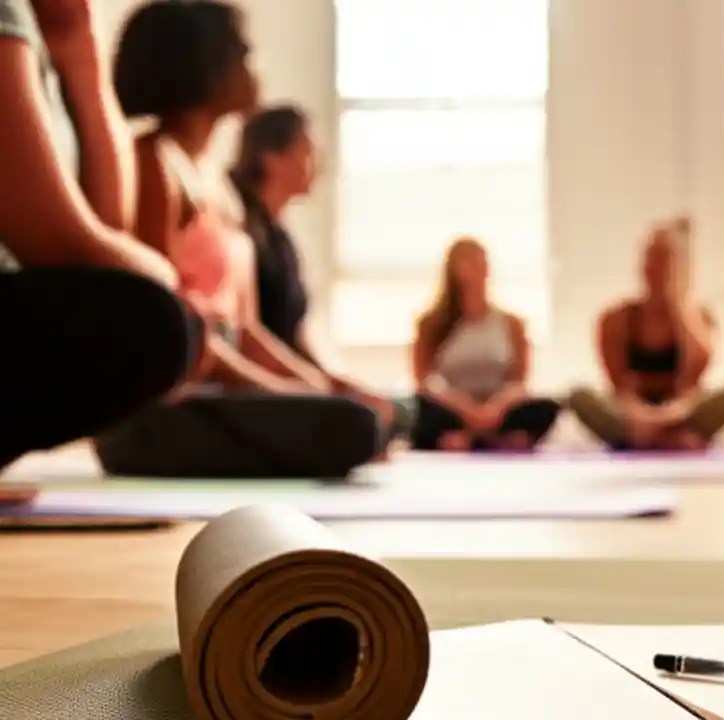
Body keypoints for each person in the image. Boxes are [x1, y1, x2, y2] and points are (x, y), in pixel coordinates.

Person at [93, 0, 383, 478]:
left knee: (367, 415)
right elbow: (167, 323)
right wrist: (280, 392)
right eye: (245, 54)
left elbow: (245, 328)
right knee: (354, 426)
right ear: (205, 65)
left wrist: (319, 383)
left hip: (221, 386)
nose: (257, 67)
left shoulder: (221, 186)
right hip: (162, 404)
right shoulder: (154, 163)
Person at [0, 0, 200, 470]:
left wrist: (79, 43)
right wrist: (168, 279)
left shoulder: (39, 30)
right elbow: (58, 241)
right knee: (153, 321)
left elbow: (109, 222)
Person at [230, 105, 409, 434]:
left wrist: (340, 384)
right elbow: (247, 333)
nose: (319, 163)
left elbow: (295, 338)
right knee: (359, 424)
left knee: (399, 413)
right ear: (272, 158)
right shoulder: (239, 229)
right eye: (307, 150)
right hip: (255, 382)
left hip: (291, 379)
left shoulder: (281, 240)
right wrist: (316, 386)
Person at [568, 218, 724, 451]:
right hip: (631, 411)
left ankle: (656, 438)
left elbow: (695, 379)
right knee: (580, 396)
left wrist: (679, 307)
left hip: (681, 410)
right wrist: (642, 417)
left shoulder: (701, 317)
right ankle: (651, 438)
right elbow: (620, 385)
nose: (656, 270)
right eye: (652, 260)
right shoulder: (615, 319)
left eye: (666, 262)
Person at [411, 237, 560, 451]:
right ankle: (470, 437)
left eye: (481, 262)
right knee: (418, 410)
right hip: (451, 407)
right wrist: (467, 408)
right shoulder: (431, 324)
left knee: (545, 407)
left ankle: (482, 437)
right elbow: (425, 381)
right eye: (468, 262)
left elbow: (518, 381)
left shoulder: (511, 323)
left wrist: (495, 408)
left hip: (497, 407)